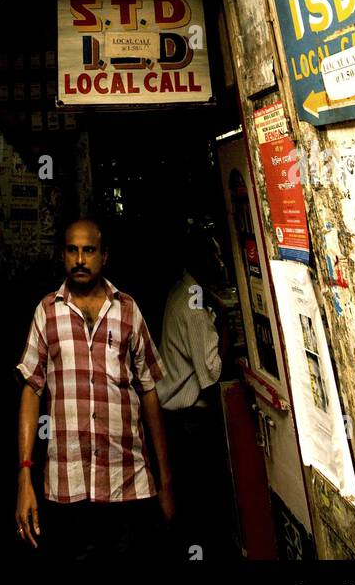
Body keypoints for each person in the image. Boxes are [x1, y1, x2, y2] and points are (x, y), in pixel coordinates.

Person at [15, 218, 174, 564]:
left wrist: (166, 481)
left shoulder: (129, 311)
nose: (80, 260)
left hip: (127, 482)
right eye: (72, 250)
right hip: (65, 486)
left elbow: (149, 392)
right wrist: (24, 475)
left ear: (104, 255)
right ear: (62, 255)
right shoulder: (47, 312)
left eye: (89, 251)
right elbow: (31, 388)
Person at [156, 238, 232, 560]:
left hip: (176, 417)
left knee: (193, 502)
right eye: (214, 254)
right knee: (202, 504)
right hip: (190, 421)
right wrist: (227, 327)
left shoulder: (184, 290)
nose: (220, 260)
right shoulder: (194, 306)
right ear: (204, 261)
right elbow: (212, 375)